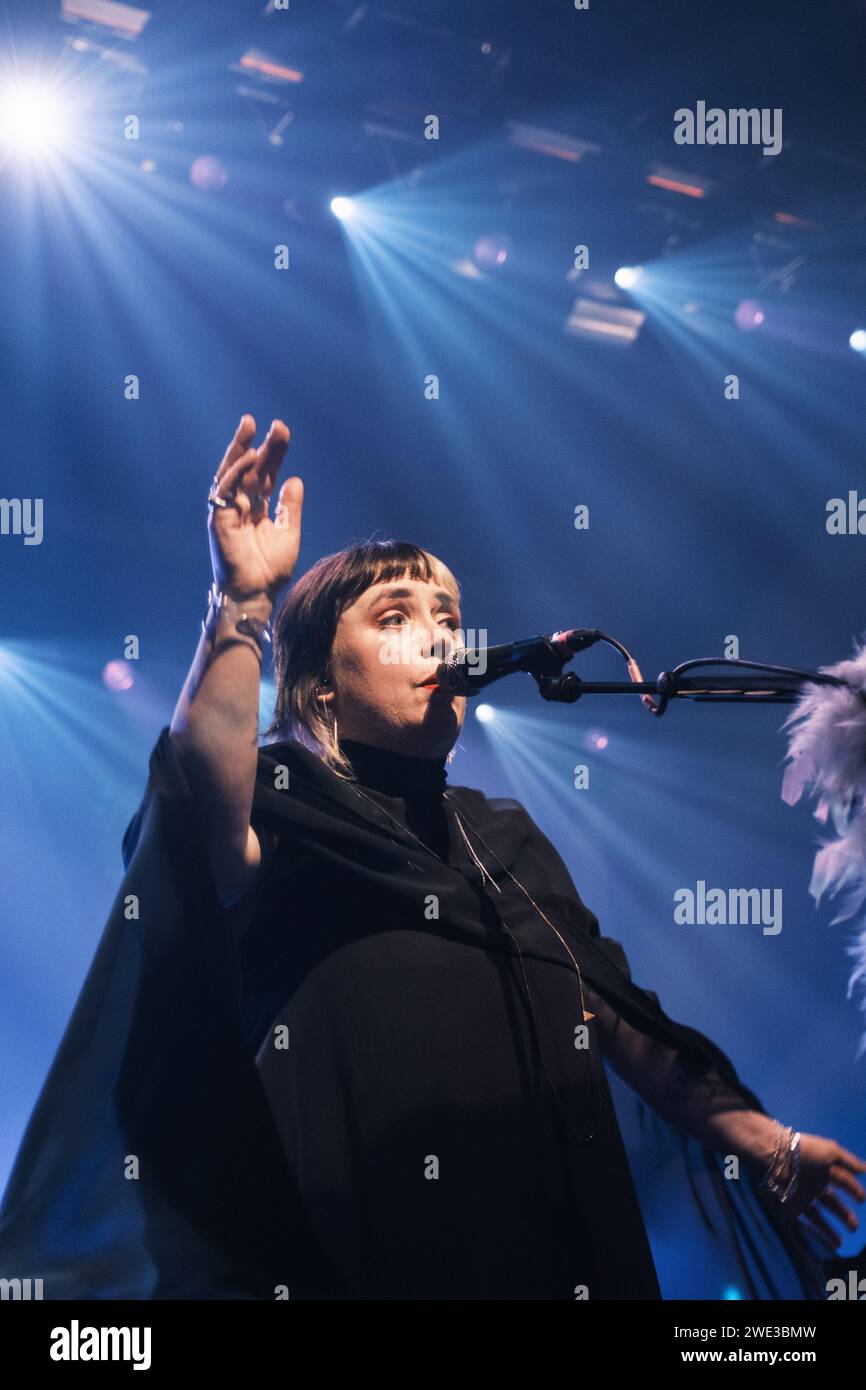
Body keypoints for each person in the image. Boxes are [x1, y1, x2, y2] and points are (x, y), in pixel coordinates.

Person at [1, 413, 863, 1300]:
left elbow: (611, 1014)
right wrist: (244, 606)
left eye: (448, 614)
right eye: (395, 616)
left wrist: (755, 1135)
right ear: (323, 680)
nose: (440, 635)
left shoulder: (506, 837)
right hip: (357, 1250)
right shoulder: (281, 803)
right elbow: (194, 828)